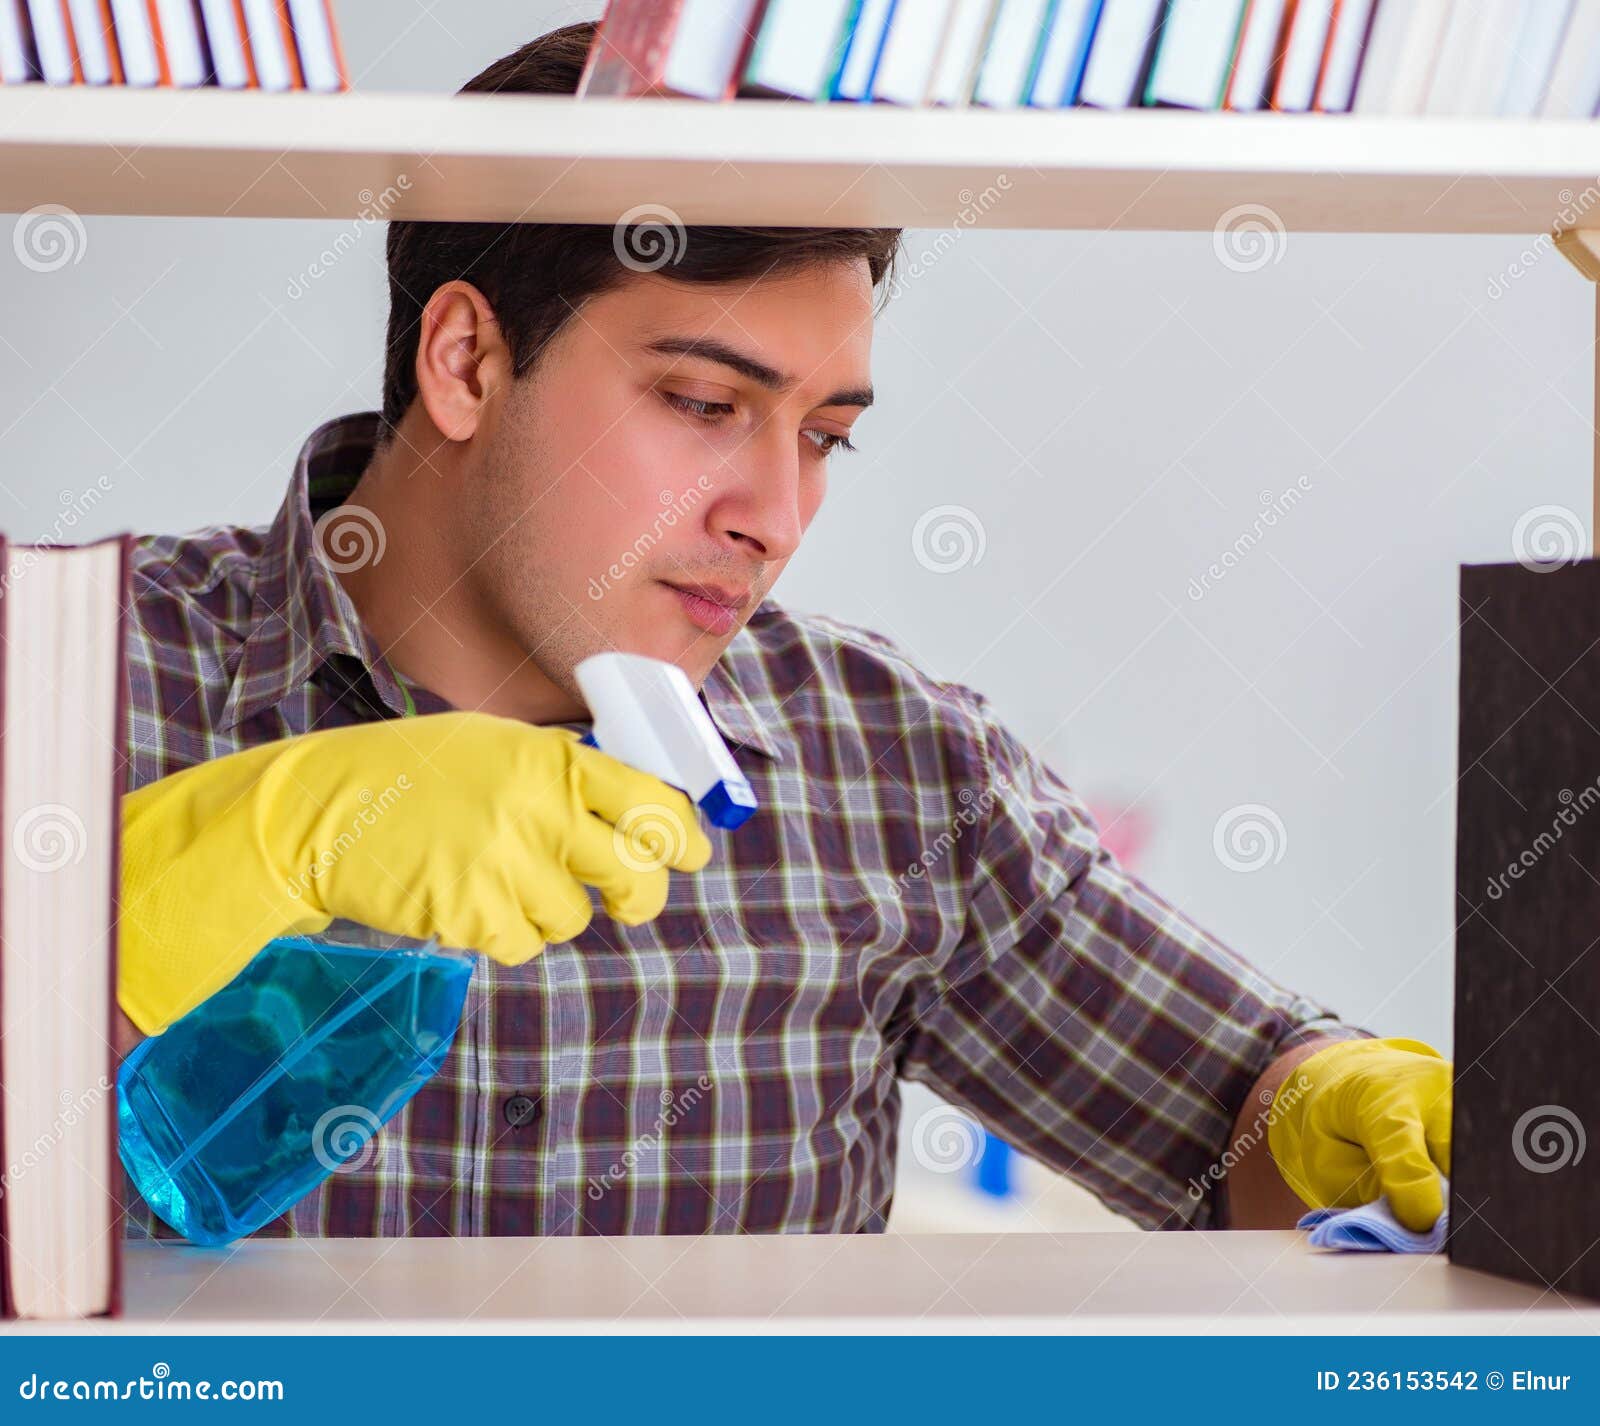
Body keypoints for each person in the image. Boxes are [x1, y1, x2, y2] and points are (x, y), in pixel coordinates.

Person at [117, 21, 1451, 1240]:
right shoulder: (85, 674)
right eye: (704, 403)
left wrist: (1338, 1106)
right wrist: (222, 856)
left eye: (824, 438)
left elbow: (1234, 1131)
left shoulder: (897, 768)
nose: (776, 514)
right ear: (465, 361)